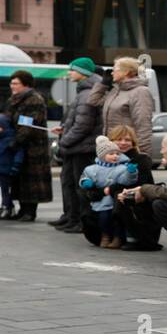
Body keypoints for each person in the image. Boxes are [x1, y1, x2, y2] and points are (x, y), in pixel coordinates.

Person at [118, 131, 167, 265]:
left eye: (163, 147)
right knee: (160, 202)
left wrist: (144, 189)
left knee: (162, 206)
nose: (161, 151)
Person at [50, 57, 101, 233]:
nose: (69, 73)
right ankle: (71, 218)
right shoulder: (83, 91)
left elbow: (83, 125)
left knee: (79, 186)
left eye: (72, 69)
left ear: (83, 72)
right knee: (69, 183)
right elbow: (76, 121)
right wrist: (64, 128)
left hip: (82, 148)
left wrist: (64, 140)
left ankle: (80, 221)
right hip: (77, 146)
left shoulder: (87, 93)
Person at [1, 70, 53, 222]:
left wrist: (17, 141)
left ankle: (30, 211)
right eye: (11, 83)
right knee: (19, 179)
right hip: (18, 145)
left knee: (32, 180)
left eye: (16, 83)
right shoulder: (13, 100)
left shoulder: (34, 100)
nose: (12, 86)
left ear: (26, 84)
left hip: (33, 147)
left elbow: (29, 125)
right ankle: (22, 209)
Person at [77, 136, 139, 249]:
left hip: (113, 199)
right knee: (102, 218)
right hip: (100, 200)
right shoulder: (91, 169)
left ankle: (117, 237)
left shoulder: (122, 168)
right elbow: (83, 177)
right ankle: (105, 235)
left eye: (117, 153)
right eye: (111, 154)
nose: (115, 156)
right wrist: (86, 182)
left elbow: (126, 181)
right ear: (101, 156)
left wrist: (131, 172)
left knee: (116, 219)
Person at [87, 56, 154, 156]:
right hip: (112, 148)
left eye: (115, 69)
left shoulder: (140, 91)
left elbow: (143, 125)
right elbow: (93, 101)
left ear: (126, 72)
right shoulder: (116, 91)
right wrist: (103, 84)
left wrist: (142, 154)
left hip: (128, 149)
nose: (112, 73)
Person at [0, 112, 22, 219]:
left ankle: (6, 208)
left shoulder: (10, 139)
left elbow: (19, 152)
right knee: (3, 189)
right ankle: (7, 207)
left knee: (5, 190)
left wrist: (16, 164)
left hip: (7, 168)